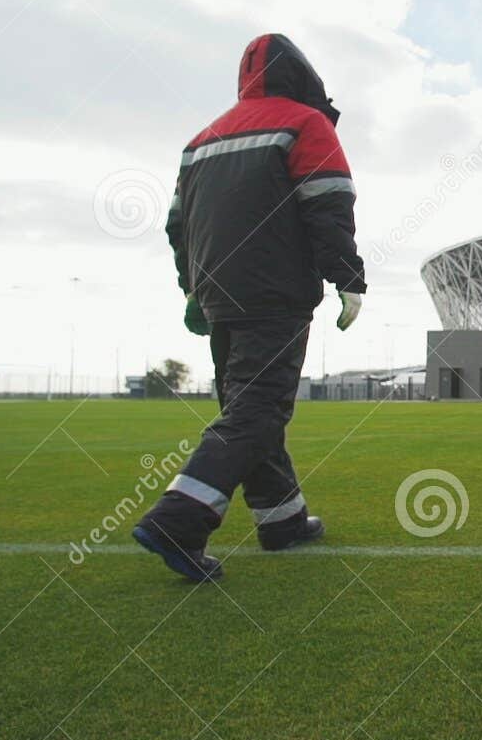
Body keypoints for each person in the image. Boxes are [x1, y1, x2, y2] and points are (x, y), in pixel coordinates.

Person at [133, 33, 365, 582]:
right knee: (257, 410)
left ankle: (282, 520)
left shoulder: (200, 141)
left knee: (249, 406)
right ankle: (179, 519)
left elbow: (176, 226)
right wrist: (348, 278)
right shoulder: (308, 125)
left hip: (219, 294)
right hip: (276, 291)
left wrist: (191, 286)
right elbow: (329, 207)